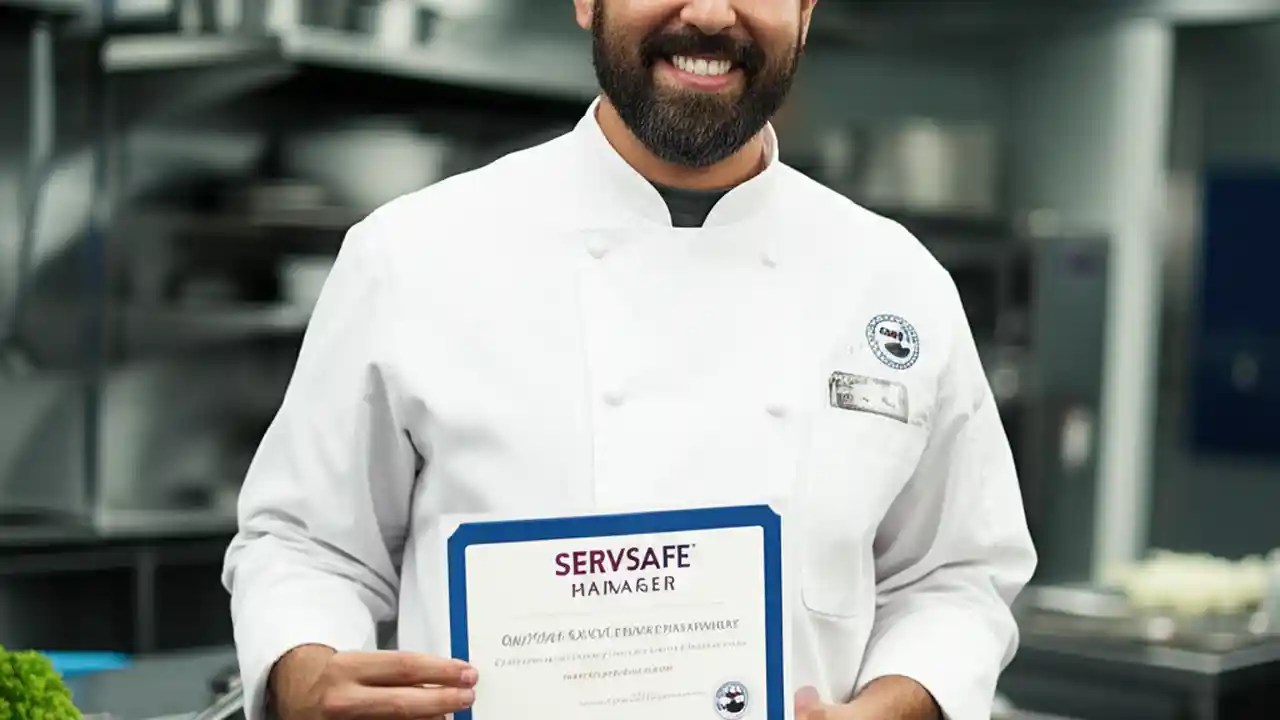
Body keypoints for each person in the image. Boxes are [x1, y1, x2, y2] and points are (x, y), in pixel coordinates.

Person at [221, 1, 1038, 718]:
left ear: (807, 9)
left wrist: (903, 705)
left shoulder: (893, 280)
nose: (712, 14)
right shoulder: (415, 254)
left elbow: (953, 576)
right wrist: (303, 674)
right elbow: (306, 544)